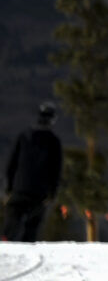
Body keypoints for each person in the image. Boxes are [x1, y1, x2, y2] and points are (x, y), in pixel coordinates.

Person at [5, 102, 65, 244]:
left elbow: (11, 164)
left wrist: (8, 188)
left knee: (12, 224)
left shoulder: (24, 136)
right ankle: (25, 249)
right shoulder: (54, 142)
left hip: (19, 188)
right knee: (31, 228)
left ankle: (5, 248)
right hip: (40, 191)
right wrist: (53, 192)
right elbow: (56, 170)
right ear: (53, 119)